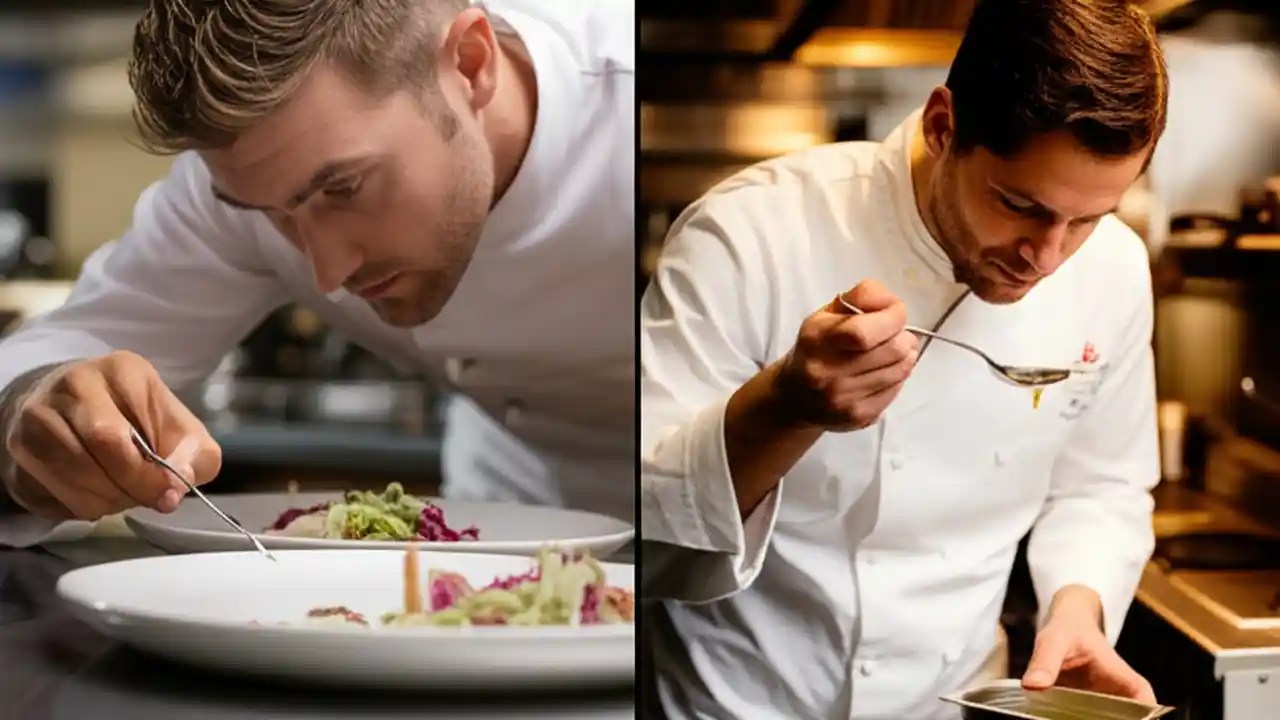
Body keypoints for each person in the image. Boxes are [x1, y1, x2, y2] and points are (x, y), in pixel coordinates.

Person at [639, 0, 1167, 717]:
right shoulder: (749, 232)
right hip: (742, 700)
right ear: (943, 125)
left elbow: (1100, 486)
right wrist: (786, 407)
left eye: (1087, 219)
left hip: (948, 703)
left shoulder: (1112, 270)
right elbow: (646, 521)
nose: (1047, 257)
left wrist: (1079, 610)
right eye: (1018, 204)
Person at [0, 0, 634, 547]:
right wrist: (34, 416)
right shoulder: (249, 177)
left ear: (471, 64)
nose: (327, 273)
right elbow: (65, 348)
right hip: (498, 529)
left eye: (345, 187)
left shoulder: (641, 117)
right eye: (269, 214)